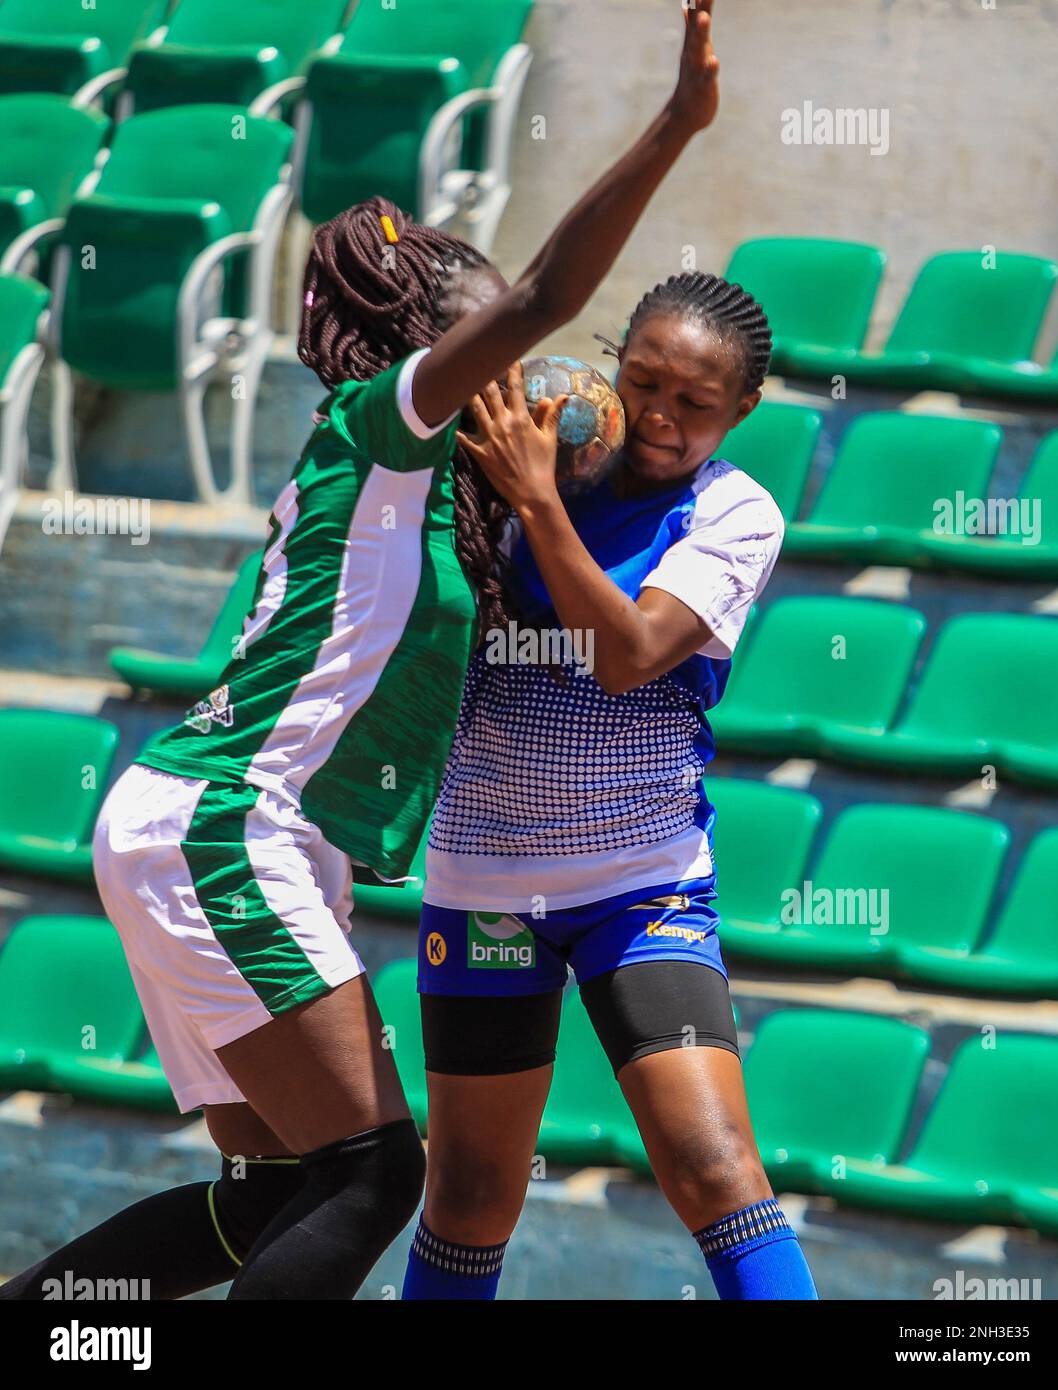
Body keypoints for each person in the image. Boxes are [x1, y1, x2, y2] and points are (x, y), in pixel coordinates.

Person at [0, 0, 723, 1302]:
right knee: (375, 1172)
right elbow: (559, 291)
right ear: (428, 341)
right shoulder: (380, 423)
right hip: (228, 824)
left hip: (217, 824)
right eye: (483, 320)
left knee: (279, 1183)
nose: (520, 339)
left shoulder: (422, 488)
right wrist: (674, 124)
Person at [401, 272, 819, 1301]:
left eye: (698, 403)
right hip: (486, 882)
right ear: (612, 363)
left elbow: (628, 654)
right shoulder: (521, 451)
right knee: (465, 1192)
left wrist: (535, 502)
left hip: (643, 885)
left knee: (715, 1169)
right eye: (645, 383)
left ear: (744, 412)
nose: (663, 419)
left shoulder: (730, 511)